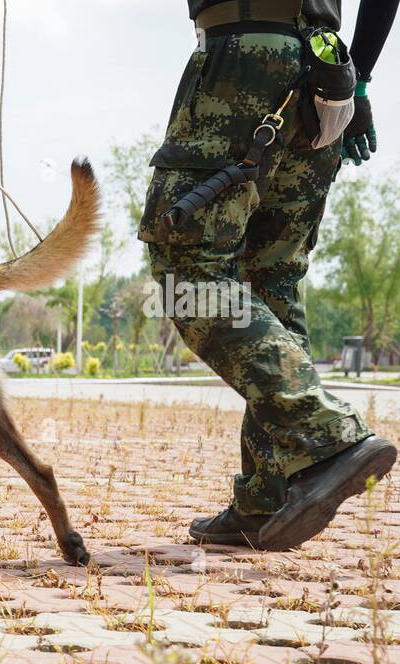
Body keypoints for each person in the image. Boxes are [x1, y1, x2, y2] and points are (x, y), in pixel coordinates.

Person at [140, 0, 400, 550]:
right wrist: (360, 83)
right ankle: (271, 495)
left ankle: (326, 436)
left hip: (244, 57)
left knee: (186, 271)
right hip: (328, 76)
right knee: (271, 282)